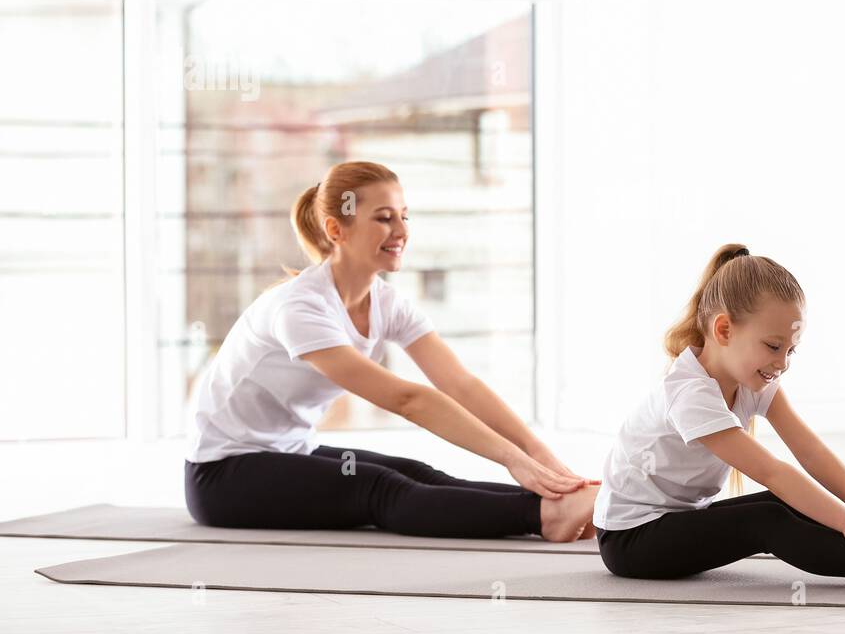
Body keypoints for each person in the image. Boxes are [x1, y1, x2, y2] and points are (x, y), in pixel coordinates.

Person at [183, 159, 600, 540]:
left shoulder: (385, 303)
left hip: (288, 451)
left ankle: (558, 504)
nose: (401, 232)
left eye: (403, 217)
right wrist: (511, 458)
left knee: (414, 472)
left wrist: (539, 455)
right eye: (383, 219)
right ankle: (545, 516)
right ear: (335, 230)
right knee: (378, 489)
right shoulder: (300, 308)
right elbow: (407, 399)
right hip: (223, 474)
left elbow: (460, 383)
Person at [592, 243, 845, 590]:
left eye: (790, 351)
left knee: (788, 504)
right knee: (767, 518)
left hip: (675, 521)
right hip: (631, 539)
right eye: (772, 346)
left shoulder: (752, 380)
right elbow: (774, 473)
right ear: (724, 329)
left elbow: (809, 451)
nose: (781, 364)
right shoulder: (690, 392)